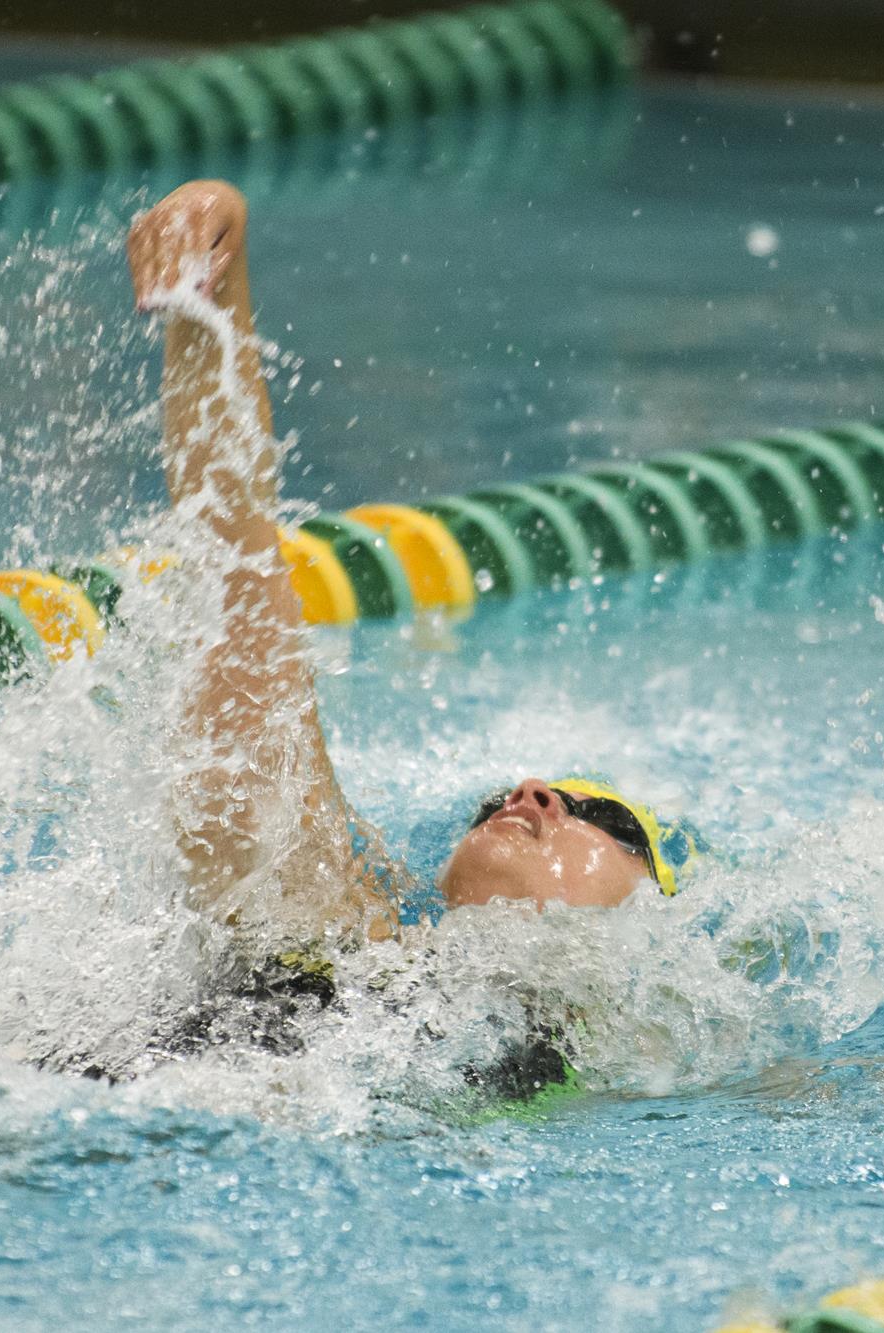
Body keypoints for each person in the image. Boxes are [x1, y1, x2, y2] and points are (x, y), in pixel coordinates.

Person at [127, 179, 695, 955]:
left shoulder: (651, 1052)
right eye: (522, 795)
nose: (531, 793)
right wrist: (216, 267)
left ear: (647, 918)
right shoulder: (351, 934)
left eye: (602, 818)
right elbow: (235, 551)